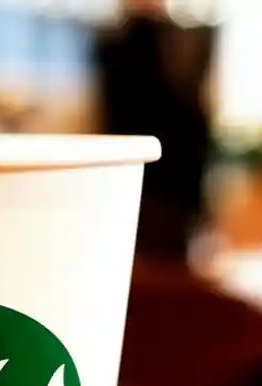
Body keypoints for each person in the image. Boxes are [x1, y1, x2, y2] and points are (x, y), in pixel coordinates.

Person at [92, 0, 214, 265]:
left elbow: (193, 118)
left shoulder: (189, 38)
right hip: (131, 182)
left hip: (175, 187)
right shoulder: (114, 41)